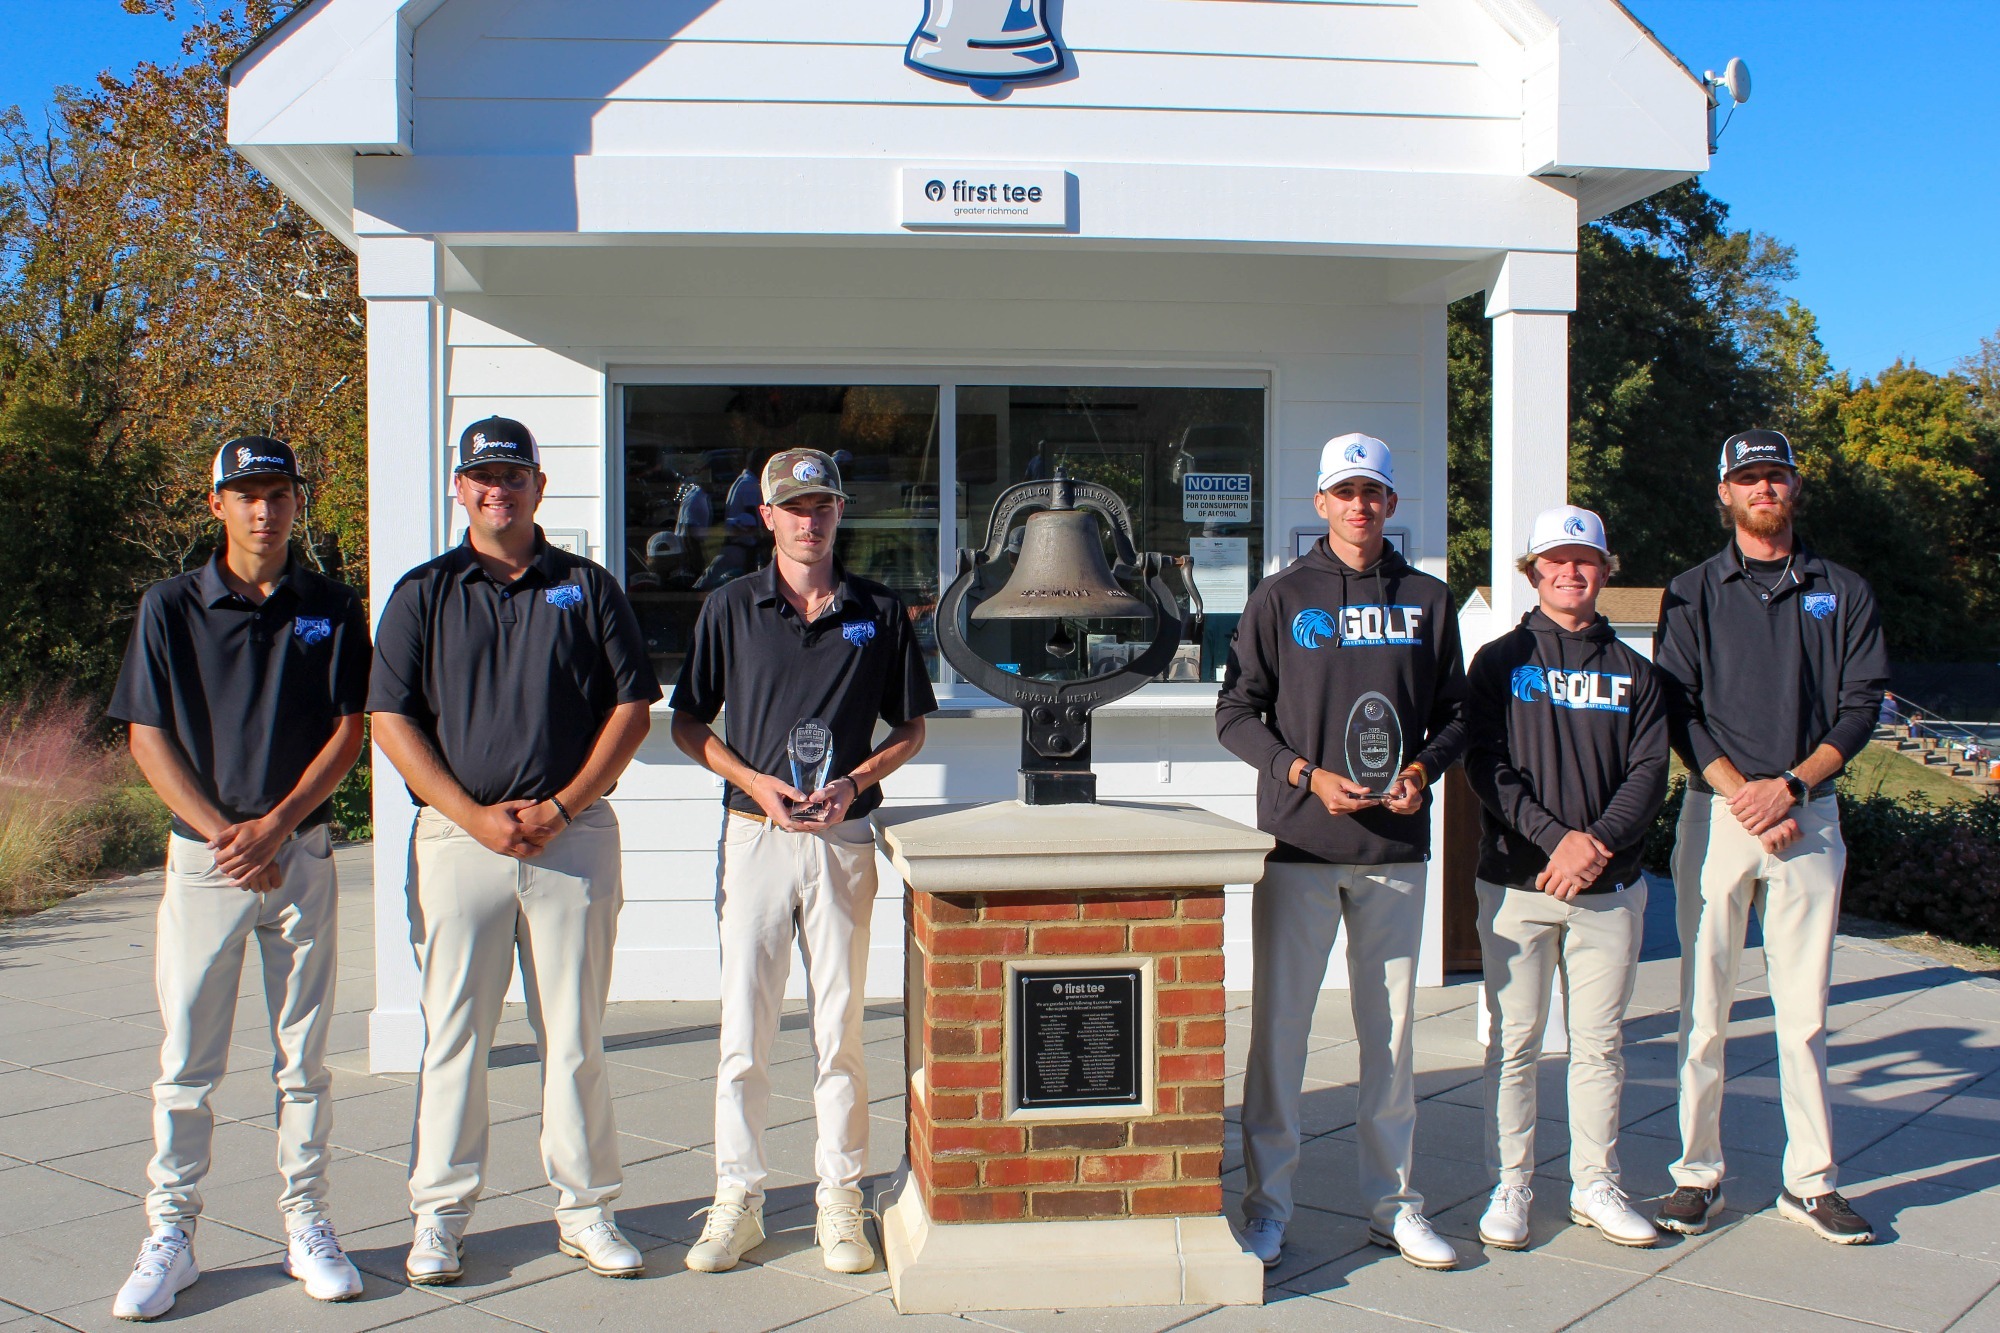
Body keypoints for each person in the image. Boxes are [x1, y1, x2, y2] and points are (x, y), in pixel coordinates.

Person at [369, 417, 661, 1283]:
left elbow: (631, 707)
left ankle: (587, 1208)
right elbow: (392, 718)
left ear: (539, 486)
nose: (498, 490)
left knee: (574, 1036)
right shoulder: (423, 592)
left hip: (573, 842)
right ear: (459, 488)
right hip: (462, 843)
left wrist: (566, 805)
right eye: (481, 476)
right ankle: (440, 1216)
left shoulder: (587, 586)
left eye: (513, 476)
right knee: (455, 1034)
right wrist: (472, 815)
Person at [106, 437, 371, 1319]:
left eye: (280, 493)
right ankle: (171, 1234)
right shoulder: (171, 605)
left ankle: (307, 1220)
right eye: (247, 493)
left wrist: (276, 826)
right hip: (208, 859)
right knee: (187, 1062)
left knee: (304, 1061)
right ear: (216, 503)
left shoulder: (331, 606)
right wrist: (229, 835)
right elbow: (147, 733)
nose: (265, 509)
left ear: (299, 502)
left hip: (299, 854)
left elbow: (346, 730)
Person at [670, 448, 934, 1275]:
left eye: (822, 504)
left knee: (840, 1030)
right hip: (755, 835)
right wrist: (754, 781)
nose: (809, 519)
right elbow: (687, 723)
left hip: (844, 839)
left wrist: (855, 781)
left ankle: (839, 1202)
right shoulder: (729, 607)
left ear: (838, 512)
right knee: (744, 1032)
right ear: (767, 518)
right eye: (794, 506)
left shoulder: (878, 612)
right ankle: (738, 1199)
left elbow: (911, 728)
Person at [1216, 432, 1470, 1272]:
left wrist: (1426, 768)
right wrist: (1302, 773)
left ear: (1392, 504)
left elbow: (1458, 713)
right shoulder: (1281, 598)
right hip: (1299, 842)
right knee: (1280, 1034)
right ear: (1320, 503)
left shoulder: (1430, 600)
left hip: (1394, 847)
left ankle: (1394, 1205)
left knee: (1390, 1037)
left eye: (1373, 493)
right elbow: (1236, 712)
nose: (1359, 506)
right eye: (1344, 492)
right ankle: (1267, 1207)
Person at [1651, 429, 1889, 1245]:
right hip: (1719, 816)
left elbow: (1861, 705)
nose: (1762, 489)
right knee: (1703, 1008)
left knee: (1805, 1014)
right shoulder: (1691, 590)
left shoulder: (1842, 588)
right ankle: (1696, 1175)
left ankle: (1811, 1181)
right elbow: (1677, 707)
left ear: (1794, 486)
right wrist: (1742, 794)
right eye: (1747, 478)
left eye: (1774, 476)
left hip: (1807, 814)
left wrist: (1790, 785)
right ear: (1724, 491)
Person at [1464, 506, 1668, 1253]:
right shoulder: (1499, 661)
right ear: (1533, 572)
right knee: (1513, 1045)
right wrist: (1558, 840)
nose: (1570, 571)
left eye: (1585, 559)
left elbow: (1650, 773)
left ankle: (1595, 1184)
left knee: (1599, 1046)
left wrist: (1598, 845)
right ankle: (1510, 1183)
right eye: (1555, 559)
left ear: (1605, 570)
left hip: (1610, 890)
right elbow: (1486, 763)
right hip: (1519, 883)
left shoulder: (1637, 674)